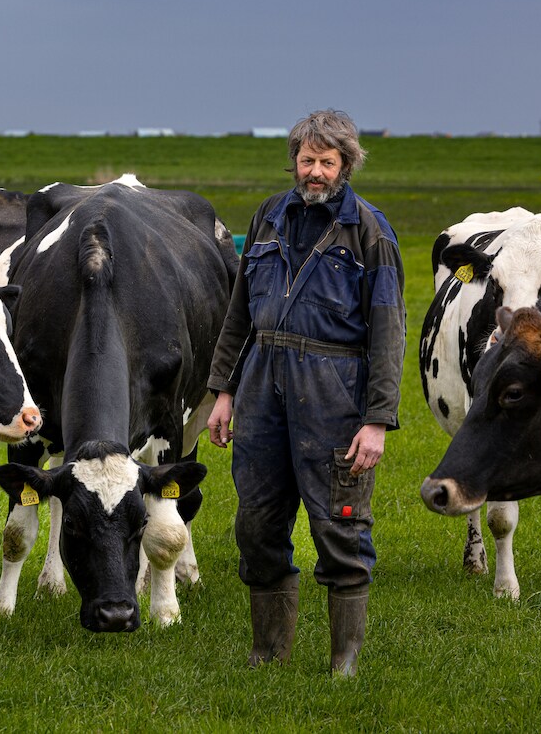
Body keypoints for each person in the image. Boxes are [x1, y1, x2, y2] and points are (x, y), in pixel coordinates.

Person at [205, 109, 405, 677]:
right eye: (307, 159)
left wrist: (378, 420)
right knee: (257, 523)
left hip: (334, 392)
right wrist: (223, 389)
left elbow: (389, 331)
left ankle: (344, 660)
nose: (314, 171)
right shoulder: (268, 216)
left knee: (339, 527)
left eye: (326, 161)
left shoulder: (370, 232)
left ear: (346, 165)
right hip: (262, 384)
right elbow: (240, 312)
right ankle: (267, 652)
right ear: (294, 160)